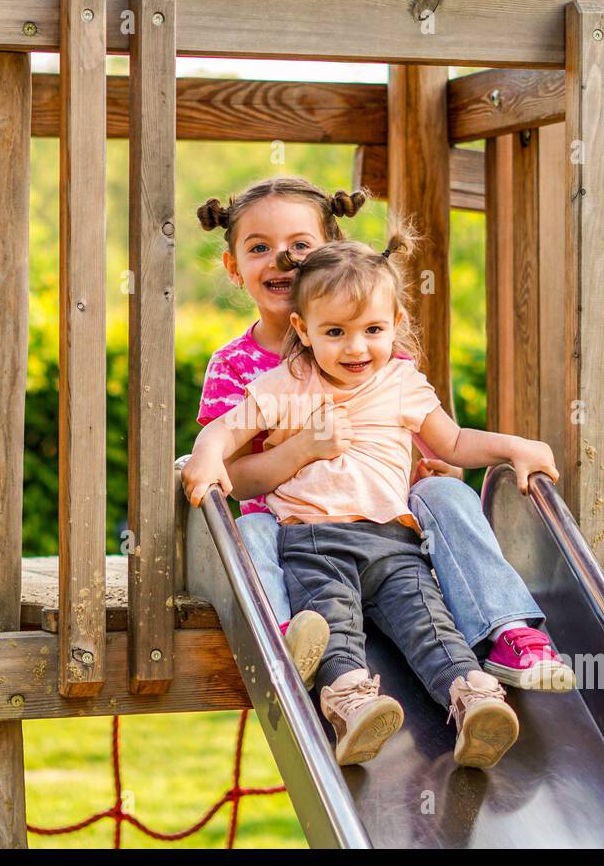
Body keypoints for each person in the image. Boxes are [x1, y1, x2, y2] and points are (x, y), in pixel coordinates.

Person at [183, 230, 563, 768]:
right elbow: (225, 430)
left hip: (394, 541)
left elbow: (451, 442)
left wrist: (514, 446)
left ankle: (475, 701)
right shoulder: (286, 382)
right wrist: (205, 457)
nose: (356, 347)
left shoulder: (402, 383)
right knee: (332, 627)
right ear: (303, 330)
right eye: (335, 331)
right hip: (313, 543)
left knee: (430, 624)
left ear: (397, 322)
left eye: (372, 330)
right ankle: (353, 710)